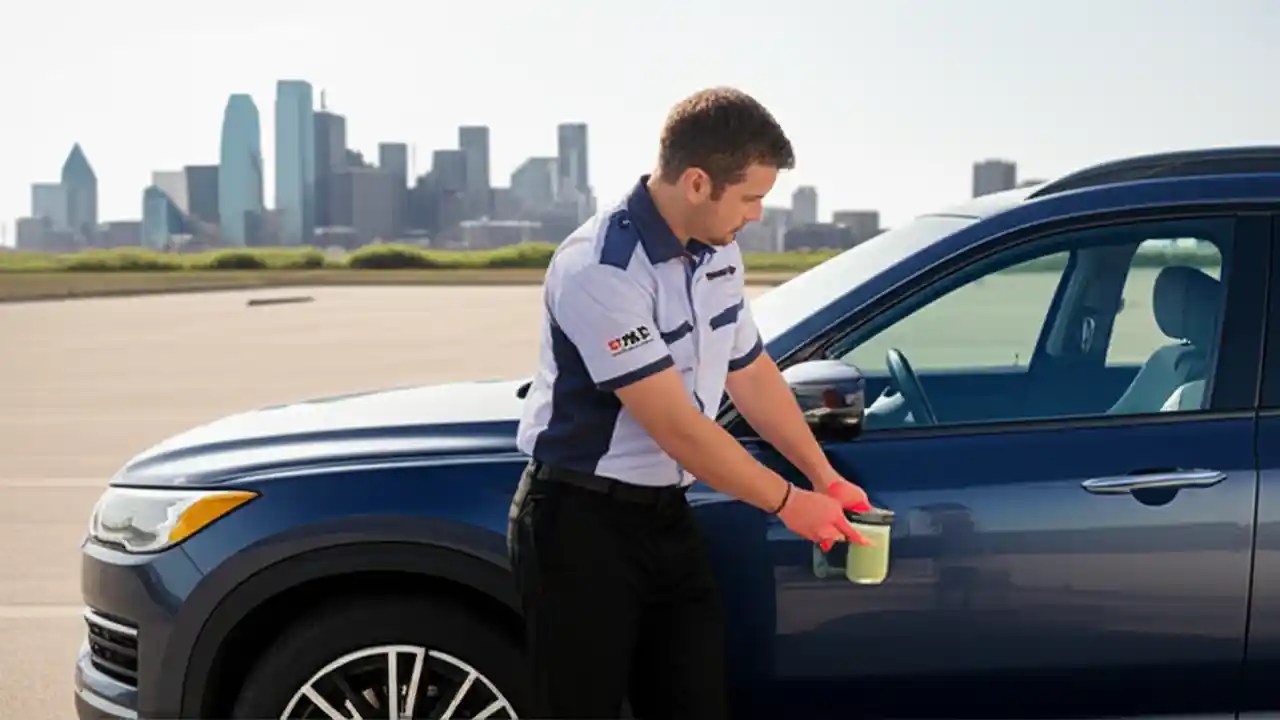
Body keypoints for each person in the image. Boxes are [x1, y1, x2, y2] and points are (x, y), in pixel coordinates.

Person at [508, 86, 873, 719]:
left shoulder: (719, 252)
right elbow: (678, 428)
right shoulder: (601, 269)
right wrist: (790, 504)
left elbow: (751, 371)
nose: (758, 214)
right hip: (579, 525)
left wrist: (824, 476)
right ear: (698, 182)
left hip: (668, 517)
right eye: (752, 197)